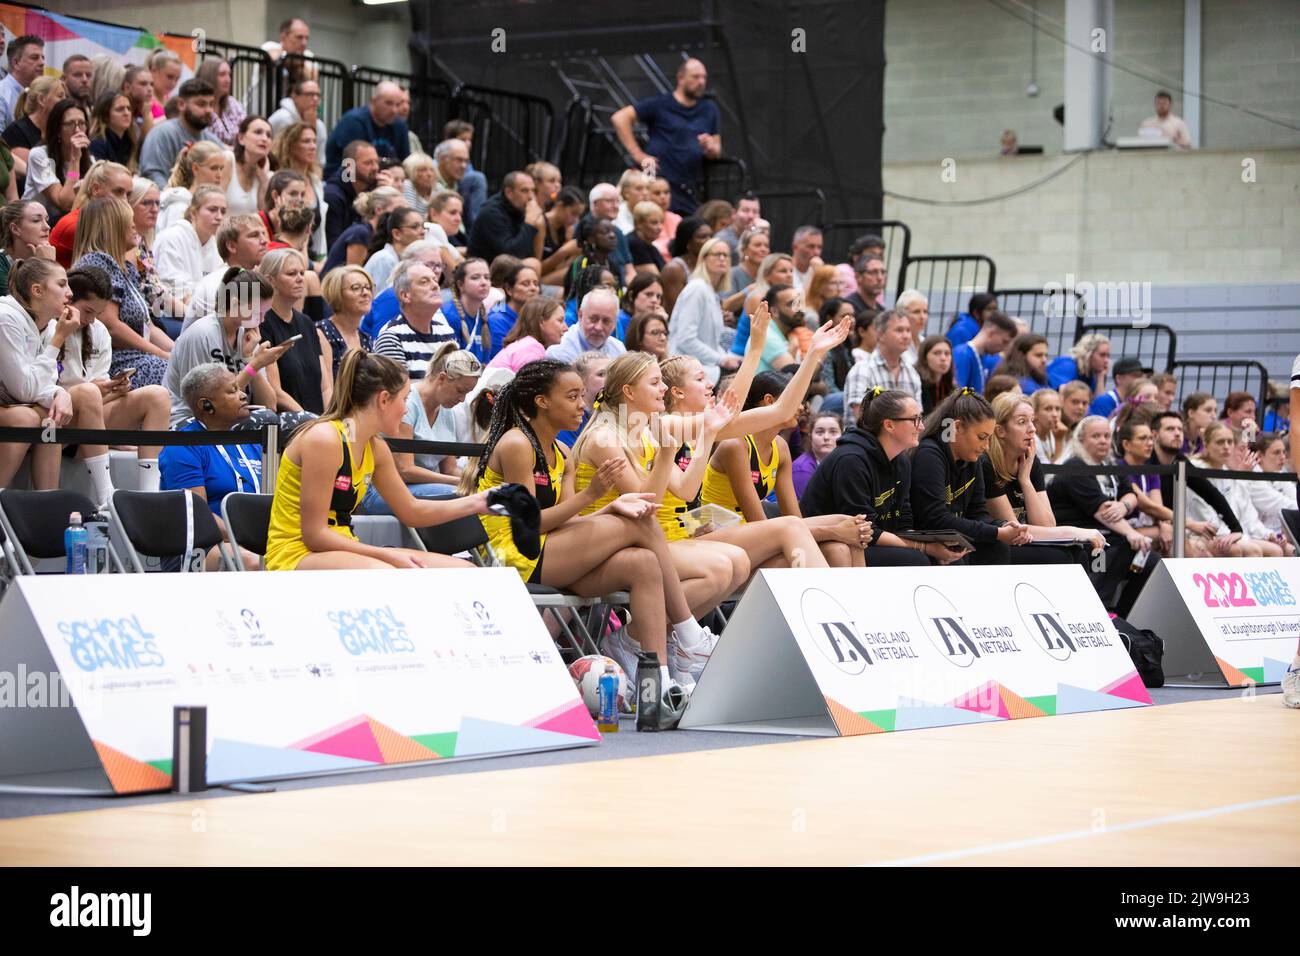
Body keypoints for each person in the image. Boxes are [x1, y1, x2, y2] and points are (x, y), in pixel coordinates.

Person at [471, 360, 702, 697]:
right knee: (642, 517)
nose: (583, 404)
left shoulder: (562, 451)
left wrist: (608, 506)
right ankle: (690, 633)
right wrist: (593, 495)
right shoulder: (517, 445)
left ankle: (660, 682)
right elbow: (528, 526)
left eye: (582, 395)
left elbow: (566, 520)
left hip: (552, 552)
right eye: (572, 396)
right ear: (542, 401)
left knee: (644, 564)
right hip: (515, 557)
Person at [265, 351, 486, 571]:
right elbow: (315, 536)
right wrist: (385, 554)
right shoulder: (325, 439)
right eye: (405, 398)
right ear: (383, 400)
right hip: (295, 554)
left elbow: (412, 510)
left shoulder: (376, 447)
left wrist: (479, 501)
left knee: (465, 571)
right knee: (387, 573)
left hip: (342, 550)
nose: (407, 408)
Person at [701, 371, 869, 567]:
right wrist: (833, 532)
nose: (801, 407)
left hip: (757, 534)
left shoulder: (780, 447)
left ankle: (858, 597)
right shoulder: (735, 445)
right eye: (795, 399)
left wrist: (840, 531)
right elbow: (761, 525)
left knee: (850, 526)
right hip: (723, 539)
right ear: (769, 401)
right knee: (838, 535)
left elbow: (794, 518)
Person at [0, 257, 118, 503]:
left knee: (49, 416)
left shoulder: (45, 324)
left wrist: (58, 393)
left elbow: (43, 381)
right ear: (37, 290)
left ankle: (49, 504)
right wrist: (59, 340)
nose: (70, 292)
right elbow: (24, 389)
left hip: (12, 402)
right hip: (12, 404)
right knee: (28, 417)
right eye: (62, 284)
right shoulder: (6, 317)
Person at [802, 388, 962, 567]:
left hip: (866, 541)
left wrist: (929, 544)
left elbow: (903, 521)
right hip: (832, 544)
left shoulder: (901, 460)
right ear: (889, 425)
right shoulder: (851, 461)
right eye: (915, 419)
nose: (922, 426)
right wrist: (923, 547)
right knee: (917, 560)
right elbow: (863, 530)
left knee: (950, 558)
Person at [58, 265, 170, 489]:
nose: (91, 320)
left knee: (158, 395)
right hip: (60, 422)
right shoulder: (51, 327)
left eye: (97, 314)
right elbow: (48, 392)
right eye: (87, 311)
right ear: (69, 299)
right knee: (88, 392)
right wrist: (97, 392)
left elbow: (97, 392)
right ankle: (105, 494)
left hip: (94, 413)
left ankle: (150, 492)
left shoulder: (98, 331)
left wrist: (114, 389)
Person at [1047, 416, 1160, 614]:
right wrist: (1131, 533)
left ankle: (1125, 613)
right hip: (1079, 539)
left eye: (1107, 436)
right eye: (1096, 436)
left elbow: (1131, 493)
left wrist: (1124, 505)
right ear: (1081, 440)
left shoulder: (1109, 464)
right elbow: (1103, 512)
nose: (1103, 441)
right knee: (1122, 549)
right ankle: (1099, 610)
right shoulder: (1074, 466)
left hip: (1107, 535)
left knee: (1151, 562)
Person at [161, 362, 266, 570]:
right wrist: (252, 538)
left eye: (240, 388)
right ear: (206, 405)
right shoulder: (183, 446)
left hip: (252, 541)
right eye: (232, 391)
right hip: (197, 547)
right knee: (258, 562)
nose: (243, 395)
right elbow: (199, 517)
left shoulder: (251, 443)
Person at [911, 389, 1031, 564]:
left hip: (953, 536)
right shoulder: (929, 454)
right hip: (926, 538)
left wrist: (1001, 526)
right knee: (962, 552)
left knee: (996, 547)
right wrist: (996, 532)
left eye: (989, 439)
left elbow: (977, 512)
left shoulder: (972, 458)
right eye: (982, 437)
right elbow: (936, 519)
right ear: (957, 427)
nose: (987, 446)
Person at [983, 392, 1106, 562]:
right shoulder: (987, 464)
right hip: (995, 546)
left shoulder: (1031, 463)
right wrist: (1074, 531)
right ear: (1000, 431)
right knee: (1060, 558)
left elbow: (1047, 525)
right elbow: (1014, 532)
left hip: (1025, 541)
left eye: (1032, 421)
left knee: (1080, 553)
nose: (1032, 428)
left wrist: (1025, 481)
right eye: (1022, 422)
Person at [361, 342, 481, 515]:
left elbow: (450, 468)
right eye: (459, 390)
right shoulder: (407, 405)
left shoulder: (447, 410)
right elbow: (405, 470)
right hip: (386, 490)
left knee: (475, 492)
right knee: (460, 495)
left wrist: (476, 479)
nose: (462, 399)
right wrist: (460, 482)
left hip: (422, 488)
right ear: (442, 378)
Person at [164, 268, 290, 426]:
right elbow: (211, 405)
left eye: (265, 313)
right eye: (258, 313)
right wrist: (254, 365)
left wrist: (249, 359)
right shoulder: (203, 334)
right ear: (237, 304)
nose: (263, 320)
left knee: (290, 422)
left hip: (228, 417)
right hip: (189, 423)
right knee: (267, 422)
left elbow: (270, 405)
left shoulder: (249, 335)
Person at [72, 196, 172, 388]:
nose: (134, 227)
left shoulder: (126, 268)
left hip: (138, 354)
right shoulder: (97, 262)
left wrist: (178, 352)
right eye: (129, 223)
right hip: (114, 361)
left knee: (194, 367)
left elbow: (148, 327)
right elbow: (111, 327)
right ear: (111, 228)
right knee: (170, 371)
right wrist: (164, 355)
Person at [611, 58, 720, 214]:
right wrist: (638, 154)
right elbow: (620, 118)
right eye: (696, 77)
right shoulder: (661, 103)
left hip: (689, 183)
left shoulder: (709, 109)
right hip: (656, 175)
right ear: (681, 78)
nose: (701, 82)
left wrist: (710, 147)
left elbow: (717, 149)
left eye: (704, 77)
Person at [1189, 423, 1284, 557]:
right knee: (1251, 550)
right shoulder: (1198, 468)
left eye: (1230, 442)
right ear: (1206, 444)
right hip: (1202, 532)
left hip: (1240, 531)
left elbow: (1247, 515)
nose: (1227, 447)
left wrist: (1267, 534)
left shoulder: (1234, 471)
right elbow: (1206, 513)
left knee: (1278, 550)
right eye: (1241, 449)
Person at [258, 248, 330, 414]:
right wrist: (309, 420)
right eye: (291, 274)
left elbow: (325, 386)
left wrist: (328, 419)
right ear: (271, 280)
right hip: (288, 423)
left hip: (317, 422)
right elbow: (275, 390)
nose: (300, 279)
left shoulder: (307, 323)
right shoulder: (262, 323)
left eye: (302, 273)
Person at [666, 237, 740, 384]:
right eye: (717, 254)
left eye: (726, 255)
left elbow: (710, 342)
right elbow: (686, 339)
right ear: (704, 258)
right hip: (684, 371)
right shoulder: (697, 289)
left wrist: (728, 356)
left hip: (704, 367)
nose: (722, 259)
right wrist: (722, 359)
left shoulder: (711, 292)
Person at [373, 260, 457, 379]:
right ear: (405, 296)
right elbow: (398, 393)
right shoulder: (391, 337)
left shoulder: (447, 332)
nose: (435, 285)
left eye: (434, 280)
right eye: (424, 282)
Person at [184, 213, 268, 328]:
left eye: (263, 234)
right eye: (254, 235)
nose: (264, 241)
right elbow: (221, 340)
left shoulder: (253, 279)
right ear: (232, 246)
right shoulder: (217, 284)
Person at [139, 79, 222, 189]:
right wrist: (172, 199)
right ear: (181, 104)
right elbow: (153, 175)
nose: (208, 110)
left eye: (211, 104)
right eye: (201, 104)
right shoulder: (162, 133)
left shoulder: (212, 140)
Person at [152, 184, 225, 306]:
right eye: (212, 209)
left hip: (204, 311)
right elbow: (175, 290)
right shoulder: (171, 238)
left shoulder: (216, 245)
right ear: (193, 213)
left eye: (223, 211)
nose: (219, 217)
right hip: (169, 314)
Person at [844, 309, 923, 421]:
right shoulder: (862, 370)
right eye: (899, 330)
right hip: (866, 438)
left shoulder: (912, 372)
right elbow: (861, 418)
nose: (906, 336)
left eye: (908, 330)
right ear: (880, 335)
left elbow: (917, 417)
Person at [22, 99, 92, 226]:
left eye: (82, 123)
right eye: (70, 124)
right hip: (35, 225)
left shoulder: (89, 160)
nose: (77, 130)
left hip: (68, 224)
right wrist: (75, 160)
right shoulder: (40, 156)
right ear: (57, 130)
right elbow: (65, 203)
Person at [323, 81, 409, 179]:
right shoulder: (353, 121)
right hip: (344, 181)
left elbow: (405, 162)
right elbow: (356, 166)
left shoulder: (399, 125)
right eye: (388, 103)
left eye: (398, 105)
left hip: (383, 182)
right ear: (373, 101)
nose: (394, 110)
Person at [359, 239, 441, 341]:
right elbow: (379, 348)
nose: (436, 271)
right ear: (408, 264)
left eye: (439, 265)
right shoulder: (392, 297)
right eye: (429, 264)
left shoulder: (431, 300)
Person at [466, 170, 543, 266]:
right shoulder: (492, 213)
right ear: (509, 192)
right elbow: (511, 254)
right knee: (532, 264)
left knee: (540, 222)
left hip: (508, 267)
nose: (531, 197)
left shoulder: (519, 207)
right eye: (525, 191)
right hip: (485, 269)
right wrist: (529, 223)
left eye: (533, 190)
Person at [322, 184, 399, 277]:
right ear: (379, 210)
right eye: (397, 210)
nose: (402, 214)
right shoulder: (361, 233)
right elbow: (353, 275)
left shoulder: (379, 235)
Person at [728, 252, 794, 357]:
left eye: (791, 271)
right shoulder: (757, 298)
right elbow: (770, 333)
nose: (789, 275)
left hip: (770, 353)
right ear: (767, 275)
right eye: (783, 271)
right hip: (742, 358)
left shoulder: (789, 298)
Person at [5, 76, 66, 190]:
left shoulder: (59, 132)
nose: (65, 101)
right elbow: (43, 176)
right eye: (60, 96)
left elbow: (69, 174)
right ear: (42, 100)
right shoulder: (16, 132)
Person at [156, 140, 228, 234]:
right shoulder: (178, 206)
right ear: (195, 168)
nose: (219, 175)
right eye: (213, 168)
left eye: (221, 168)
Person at [318, 265, 374, 379]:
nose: (365, 293)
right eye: (356, 288)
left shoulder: (366, 339)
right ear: (337, 293)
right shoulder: (322, 333)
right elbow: (326, 389)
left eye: (368, 287)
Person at [323, 140, 380, 250]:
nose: (375, 168)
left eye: (376, 162)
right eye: (368, 163)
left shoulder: (373, 189)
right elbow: (333, 245)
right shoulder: (333, 196)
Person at [547, 287, 626, 364]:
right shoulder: (560, 352)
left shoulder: (619, 350)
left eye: (606, 321)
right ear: (580, 315)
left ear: (615, 323)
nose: (598, 327)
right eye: (593, 319)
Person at [489, 296, 566, 373]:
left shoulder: (526, 344)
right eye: (560, 320)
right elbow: (527, 384)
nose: (566, 328)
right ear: (541, 322)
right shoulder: (532, 348)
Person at [441, 256, 494, 361]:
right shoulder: (449, 315)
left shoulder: (484, 318)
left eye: (487, 277)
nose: (484, 282)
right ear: (460, 284)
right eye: (475, 277)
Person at [486, 261, 540, 360]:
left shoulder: (538, 316)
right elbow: (500, 358)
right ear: (509, 289)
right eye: (526, 284)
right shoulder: (497, 320)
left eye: (536, 284)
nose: (533, 288)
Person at [952, 309, 1016, 392]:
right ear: (991, 333)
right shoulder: (963, 355)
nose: (1005, 348)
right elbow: (957, 392)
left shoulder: (984, 357)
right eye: (1004, 342)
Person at [1248, 432, 1297, 541]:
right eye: (1276, 453)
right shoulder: (1253, 478)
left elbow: (1295, 499)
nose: (1282, 457)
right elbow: (1284, 506)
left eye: (1284, 452)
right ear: (1260, 456)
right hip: (1259, 535)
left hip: (1280, 534)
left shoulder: (1279, 473)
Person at [659, 216, 711, 315]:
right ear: (688, 242)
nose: (709, 241)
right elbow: (676, 310)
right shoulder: (674, 269)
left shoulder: (709, 264)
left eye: (710, 236)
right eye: (702, 237)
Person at [363, 206, 422, 293]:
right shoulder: (385, 259)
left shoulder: (403, 259)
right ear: (396, 234)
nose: (422, 231)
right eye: (415, 227)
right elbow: (382, 299)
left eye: (423, 226)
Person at [0, 199, 54, 293]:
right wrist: (45, 265)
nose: (47, 227)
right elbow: (23, 305)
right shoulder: (2, 265)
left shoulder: (47, 253)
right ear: (15, 229)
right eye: (36, 220)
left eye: (46, 220)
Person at [268, 77, 326, 165]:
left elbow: (319, 161)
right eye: (310, 94)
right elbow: (281, 156)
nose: (315, 99)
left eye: (318, 95)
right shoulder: (282, 117)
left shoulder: (320, 126)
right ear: (295, 97)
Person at [556, 351, 608, 447]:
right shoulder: (569, 417)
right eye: (601, 374)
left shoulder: (615, 412)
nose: (610, 379)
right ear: (580, 381)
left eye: (612, 373)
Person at [226, 116, 273, 218]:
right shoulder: (228, 160)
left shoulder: (267, 176)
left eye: (268, 135)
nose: (264, 138)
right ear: (241, 138)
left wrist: (264, 184)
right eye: (258, 132)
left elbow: (264, 219)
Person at [0, 35, 45, 137]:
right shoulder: (2, 95)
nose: (42, 63)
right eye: (34, 58)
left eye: (42, 58)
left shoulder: (37, 97)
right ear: (16, 62)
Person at [539, 185, 583, 286]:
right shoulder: (541, 224)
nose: (576, 220)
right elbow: (537, 269)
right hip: (536, 279)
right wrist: (564, 251)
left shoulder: (567, 230)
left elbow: (560, 268)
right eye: (573, 213)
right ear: (560, 206)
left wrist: (572, 254)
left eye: (579, 216)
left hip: (550, 278)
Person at [196, 58, 245, 148]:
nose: (228, 79)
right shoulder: (197, 106)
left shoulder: (232, 103)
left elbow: (247, 130)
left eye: (229, 75)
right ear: (209, 76)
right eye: (222, 74)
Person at [792, 411, 841, 499]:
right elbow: (804, 510)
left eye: (833, 432)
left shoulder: (845, 462)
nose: (826, 437)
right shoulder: (801, 469)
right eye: (820, 432)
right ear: (810, 437)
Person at [88, 91, 140, 172]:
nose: (126, 113)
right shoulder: (98, 144)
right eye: (120, 109)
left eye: (129, 109)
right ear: (105, 115)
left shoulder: (129, 140)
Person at [1047, 330, 1110, 395]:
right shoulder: (1067, 365)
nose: (1106, 360)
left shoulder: (1089, 374)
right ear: (1088, 353)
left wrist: (1100, 378)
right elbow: (1065, 394)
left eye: (1108, 356)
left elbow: (1098, 403)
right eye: (1102, 355)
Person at [621, 272, 668, 342]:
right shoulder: (620, 320)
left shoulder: (661, 318)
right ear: (631, 296)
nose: (655, 300)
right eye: (649, 294)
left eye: (658, 296)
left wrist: (661, 324)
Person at [916, 334, 954, 416]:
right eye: (937, 353)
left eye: (947, 353)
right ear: (925, 358)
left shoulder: (950, 386)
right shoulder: (917, 383)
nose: (943, 358)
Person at [714, 193, 760, 262]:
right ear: (734, 213)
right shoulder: (722, 239)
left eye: (755, 212)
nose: (751, 216)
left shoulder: (760, 234)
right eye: (745, 211)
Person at [648, 176, 681, 260]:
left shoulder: (676, 218)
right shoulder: (643, 220)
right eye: (657, 193)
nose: (663, 197)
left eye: (666, 192)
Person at [1032, 387, 1068, 463]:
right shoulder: (1031, 439)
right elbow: (1051, 474)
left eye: (1058, 409)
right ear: (1034, 413)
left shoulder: (1056, 433)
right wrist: (1059, 441)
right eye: (1048, 409)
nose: (1055, 414)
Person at [146, 49, 182, 120]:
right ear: (154, 71)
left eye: (177, 79)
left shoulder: (168, 99)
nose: (173, 83)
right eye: (169, 77)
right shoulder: (145, 99)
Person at [400, 152, 437, 219]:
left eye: (432, 170)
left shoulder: (438, 188)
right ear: (411, 171)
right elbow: (410, 218)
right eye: (423, 170)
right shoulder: (407, 186)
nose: (429, 174)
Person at [1182, 391, 1217, 457]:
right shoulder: (1178, 434)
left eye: (1215, 411)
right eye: (1208, 410)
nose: (1214, 416)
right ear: (1191, 413)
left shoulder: (1204, 436)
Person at [788, 226, 823, 291]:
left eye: (819, 247)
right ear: (795, 247)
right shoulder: (785, 271)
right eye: (811, 246)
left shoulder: (818, 269)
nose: (816, 252)